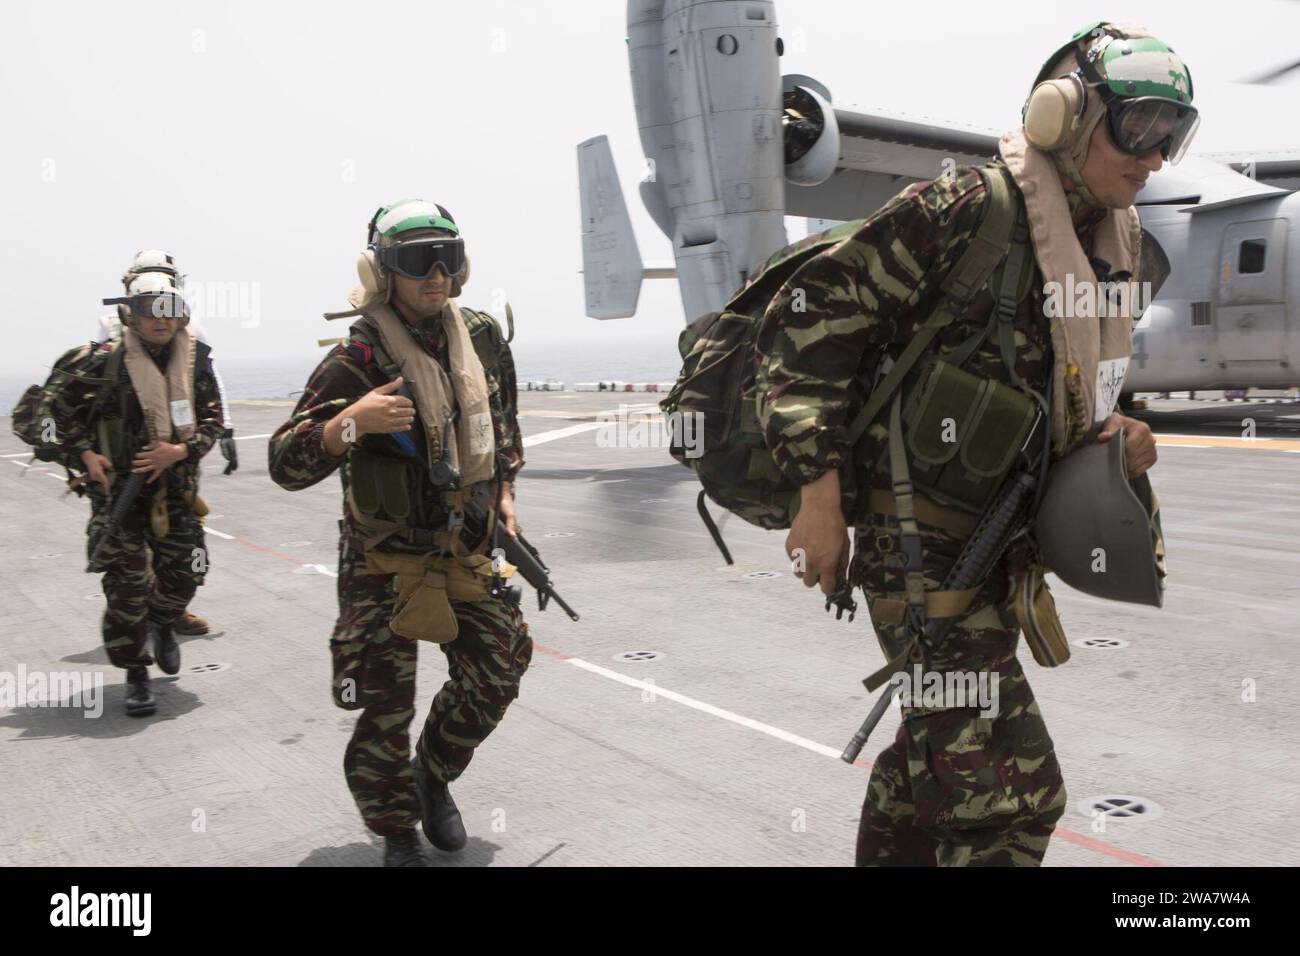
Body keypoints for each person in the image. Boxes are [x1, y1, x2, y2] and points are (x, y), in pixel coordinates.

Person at [756, 22, 1194, 865]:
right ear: (1063, 115)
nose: (1154, 156)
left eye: (1171, 134)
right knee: (1014, 800)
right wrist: (818, 499)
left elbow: (1070, 395)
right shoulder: (967, 211)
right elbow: (805, 325)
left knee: (928, 777)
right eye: (1137, 127)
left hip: (1000, 546)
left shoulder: (1112, 249)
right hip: (917, 550)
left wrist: (1118, 439)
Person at [268, 199, 530, 867]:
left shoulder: (481, 337)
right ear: (383, 271)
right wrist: (348, 423)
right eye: (417, 261)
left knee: (500, 667)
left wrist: (504, 495)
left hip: (464, 545)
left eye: (447, 258)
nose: (436, 274)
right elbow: (285, 462)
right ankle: (396, 831)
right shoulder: (358, 357)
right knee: (384, 706)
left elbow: (502, 428)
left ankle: (432, 775)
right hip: (382, 562)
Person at [51, 272, 224, 716]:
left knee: (189, 571)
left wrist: (179, 451)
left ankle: (163, 622)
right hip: (119, 499)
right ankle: (136, 674)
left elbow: (213, 422)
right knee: (127, 589)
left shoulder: (195, 361)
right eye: (151, 309)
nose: (162, 319)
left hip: (175, 493)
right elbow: (48, 414)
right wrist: (84, 454)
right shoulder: (100, 361)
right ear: (131, 314)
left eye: (170, 309)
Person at [95, 249, 240, 637]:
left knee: (183, 551)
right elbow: (94, 395)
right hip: (128, 466)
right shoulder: (109, 333)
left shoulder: (190, 333)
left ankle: (170, 612)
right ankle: (135, 623)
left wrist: (223, 431)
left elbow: (210, 381)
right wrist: (87, 455)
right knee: (130, 557)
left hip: (178, 462)